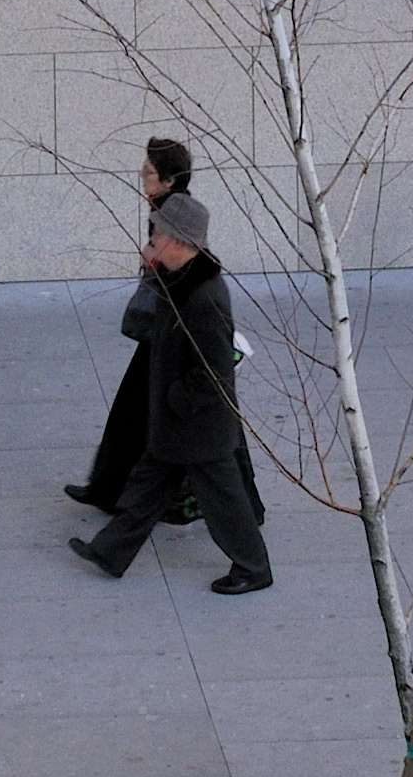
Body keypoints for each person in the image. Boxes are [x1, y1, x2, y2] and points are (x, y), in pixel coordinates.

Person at [69, 195, 274, 595]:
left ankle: (254, 567)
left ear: (179, 241)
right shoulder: (180, 279)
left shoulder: (204, 296)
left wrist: (178, 398)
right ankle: (110, 553)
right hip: (177, 420)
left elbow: (215, 367)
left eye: (158, 234)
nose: (152, 239)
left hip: (198, 422)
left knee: (225, 501)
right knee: (147, 486)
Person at [65, 135, 196, 515]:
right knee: (137, 411)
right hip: (166, 328)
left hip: (171, 331)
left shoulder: (176, 213)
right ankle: (109, 488)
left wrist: (154, 262)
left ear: (170, 180)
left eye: (150, 171)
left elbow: (184, 270)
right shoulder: (165, 206)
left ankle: (116, 491)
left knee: (139, 412)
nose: (143, 174)